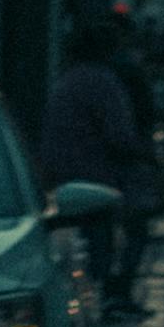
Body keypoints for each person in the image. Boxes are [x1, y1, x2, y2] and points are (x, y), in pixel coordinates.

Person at [36, 23, 155, 294]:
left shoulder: (68, 80)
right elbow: (119, 136)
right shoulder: (101, 82)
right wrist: (144, 155)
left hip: (59, 174)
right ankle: (113, 291)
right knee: (124, 229)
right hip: (94, 177)